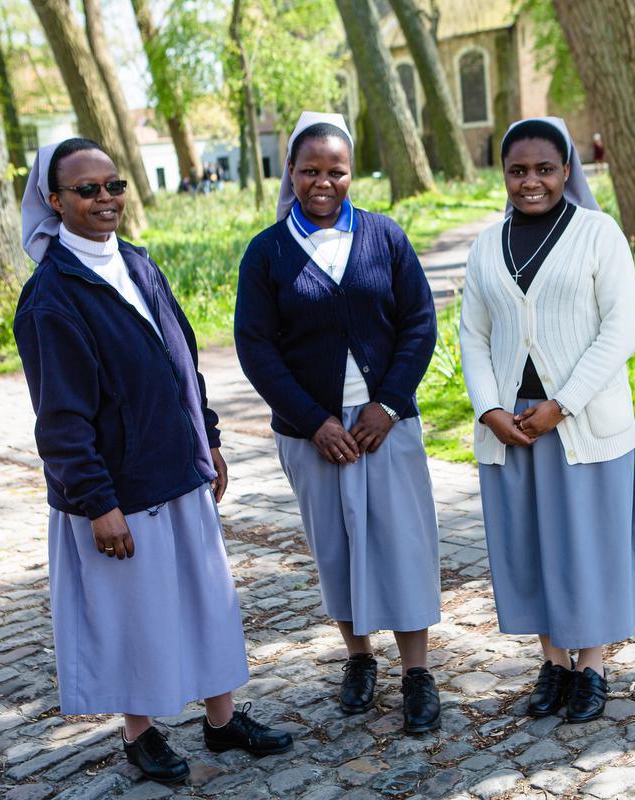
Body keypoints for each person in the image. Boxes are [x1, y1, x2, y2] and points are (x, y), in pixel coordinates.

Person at [13, 137, 293, 783]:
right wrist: (98, 504)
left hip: (180, 471)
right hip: (122, 492)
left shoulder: (138, 264)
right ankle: (141, 737)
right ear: (54, 201)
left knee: (207, 605)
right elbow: (60, 419)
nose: (105, 198)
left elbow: (181, 362)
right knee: (138, 621)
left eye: (114, 185)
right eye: (87, 190)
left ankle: (222, 722)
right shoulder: (53, 295)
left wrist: (211, 438)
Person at [235, 111, 443, 734]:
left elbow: (419, 323)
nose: (323, 182)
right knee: (334, 546)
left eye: (336, 171)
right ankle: (358, 659)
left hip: (386, 423)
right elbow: (256, 347)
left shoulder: (385, 237)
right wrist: (312, 420)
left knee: (403, 543)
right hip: (310, 432)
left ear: (352, 174)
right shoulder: (268, 252)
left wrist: (388, 402)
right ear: (290, 174)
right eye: (309, 171)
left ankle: (416, 672)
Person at [459, 117, 635, 724]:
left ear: (567, 170)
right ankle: (552, 662)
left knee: (588, 548)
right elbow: (473, 333)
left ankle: (592, 665)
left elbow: (619, 330)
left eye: (544, 169)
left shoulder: (599, 234)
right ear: (504, 175)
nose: (531, 182)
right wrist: (491, 409)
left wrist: (561, 403)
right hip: (512, 428)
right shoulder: (486, 245)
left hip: (580, 423)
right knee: (532, 547)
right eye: (518, 171)